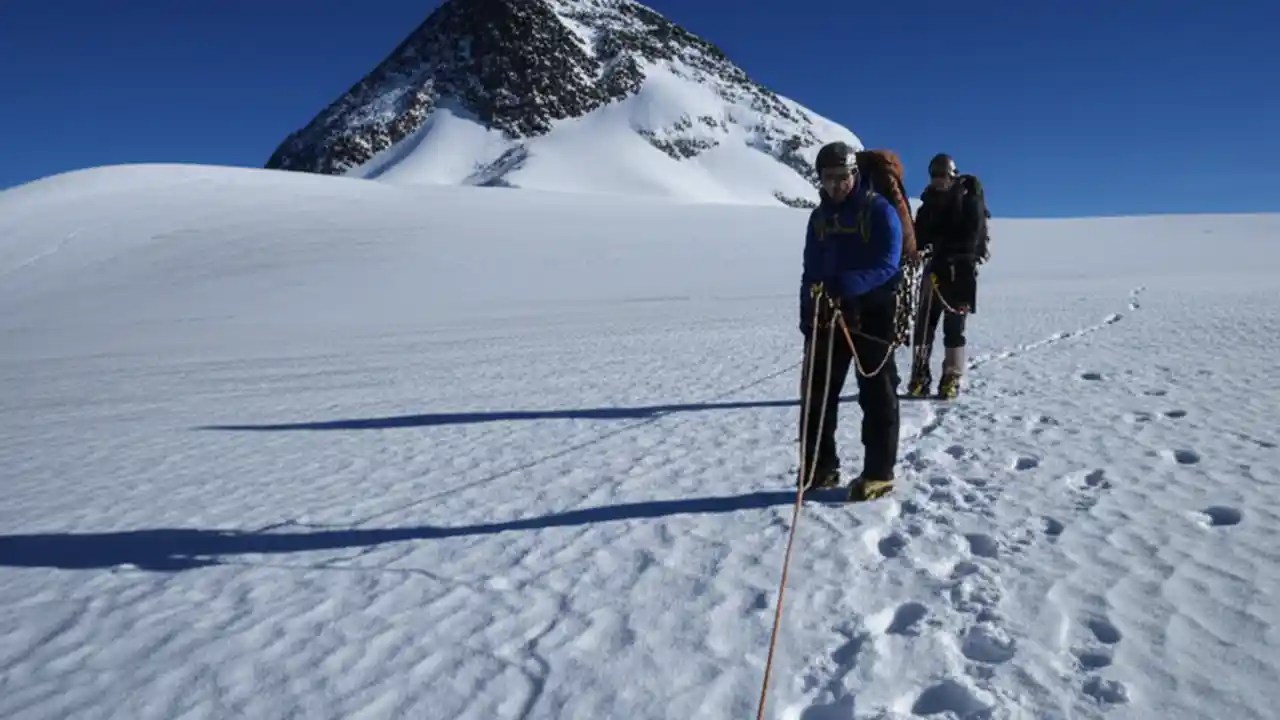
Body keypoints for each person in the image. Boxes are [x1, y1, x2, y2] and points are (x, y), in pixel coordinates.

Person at [798, 141, 904, 502]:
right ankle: (819, 466)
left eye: (841, 178)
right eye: (828, 179)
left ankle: (879, 472)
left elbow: (889, 264)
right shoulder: (819, 218)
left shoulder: (879, 210)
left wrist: (846, 285)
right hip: (828, 312)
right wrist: (807, 317)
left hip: (873, 313)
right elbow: (810, 270)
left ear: (854, 175)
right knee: (817, 393)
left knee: (877, 393)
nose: (835, 186)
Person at [908, 153, 988, 399]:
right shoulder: (927, 206)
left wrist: (942, 248)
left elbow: (971, 236)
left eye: (943, 175)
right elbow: (919, 236)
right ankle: (920, 375)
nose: (939, 180)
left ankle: (952, 376)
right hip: (933, 271)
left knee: (954, 328)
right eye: (935, 175)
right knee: (923, 326)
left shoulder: (968, 202)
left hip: (959, 273)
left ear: (952, 176)